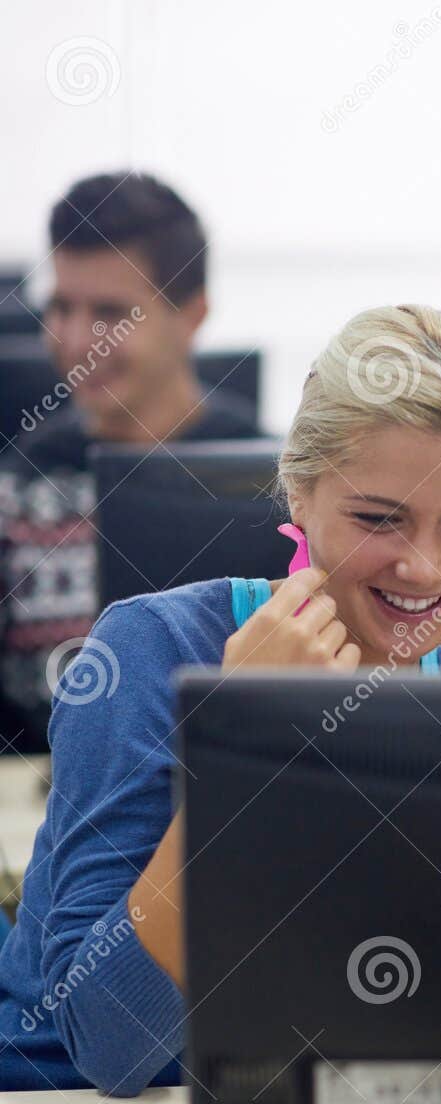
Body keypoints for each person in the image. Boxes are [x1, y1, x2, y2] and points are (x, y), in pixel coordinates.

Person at [0, 304, 441, 1093]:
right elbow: (111, 1046)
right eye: (380, 518)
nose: (423, 567)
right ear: (300, 493)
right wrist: (247, 741)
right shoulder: (146, 651)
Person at [0, 172, 262, 753]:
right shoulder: (17, 478)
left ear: (191, 315)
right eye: (61, 307)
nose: (73, 339)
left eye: (110, 313)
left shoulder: (271, 485)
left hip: (215, 785)